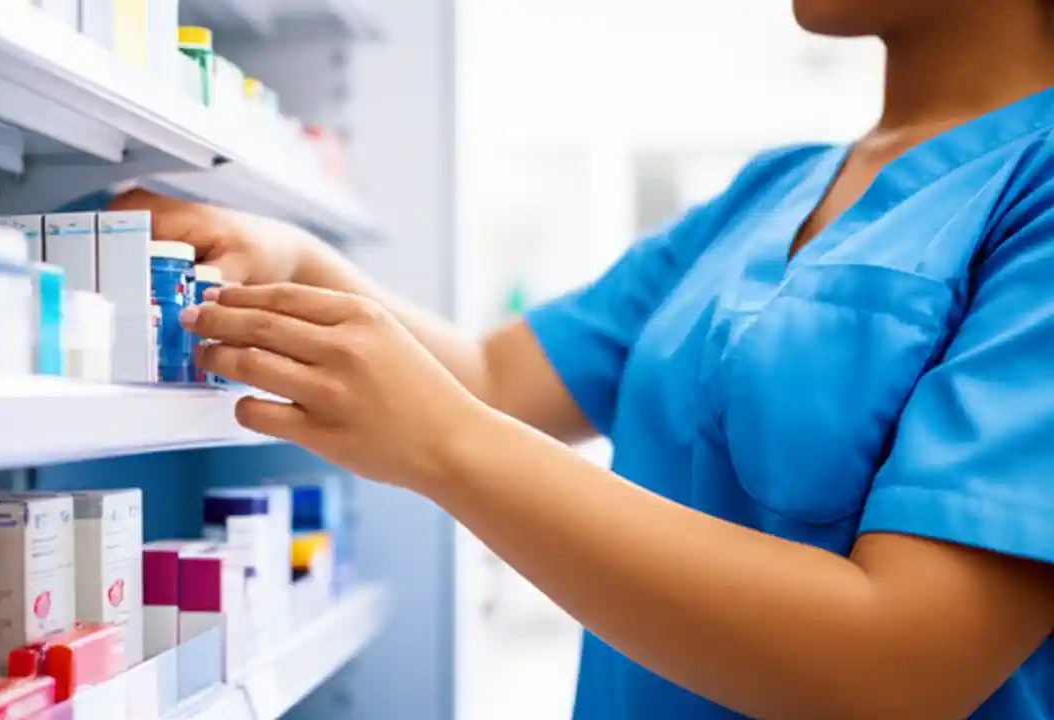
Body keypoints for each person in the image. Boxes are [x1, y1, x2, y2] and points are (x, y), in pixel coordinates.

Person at [112, 1, 1054, 716]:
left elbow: (905, 667)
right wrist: (294, 257)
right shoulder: (776, 187)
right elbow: (493, 376)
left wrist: (444, 446)